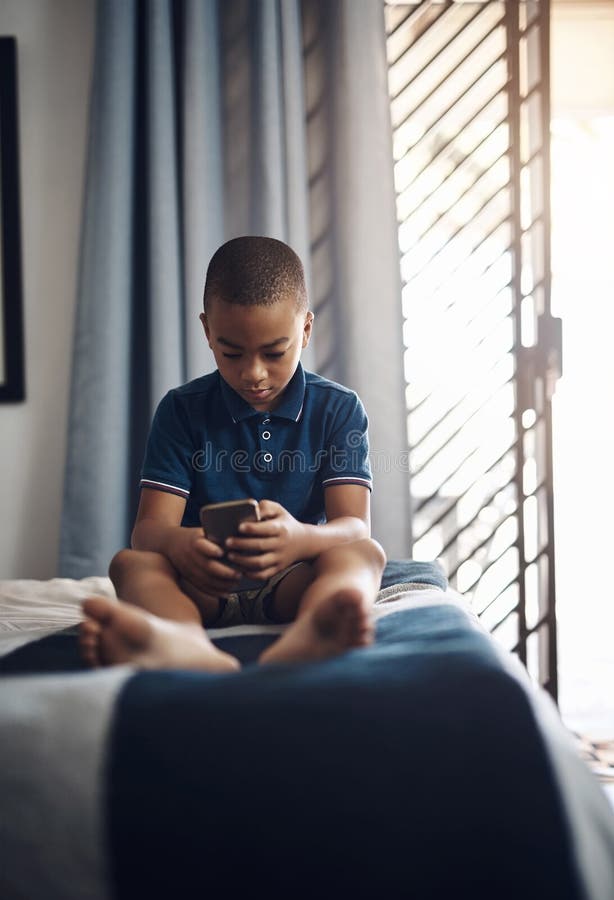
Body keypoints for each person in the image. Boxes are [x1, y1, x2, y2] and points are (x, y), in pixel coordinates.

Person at [79, 236, 386, 672]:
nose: (253, 373)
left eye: (274, 353)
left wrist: (301, 538)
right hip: (203, 585)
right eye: (232, 352)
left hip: (292, 580)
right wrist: (182, 544)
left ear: (305, 330)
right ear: (207, 331)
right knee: (130, 564)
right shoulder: (181, 410)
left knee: (365, 555)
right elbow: (148, 531)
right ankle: (182, 643)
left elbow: (354, 527)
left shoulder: (338, 408)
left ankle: (316, 627)